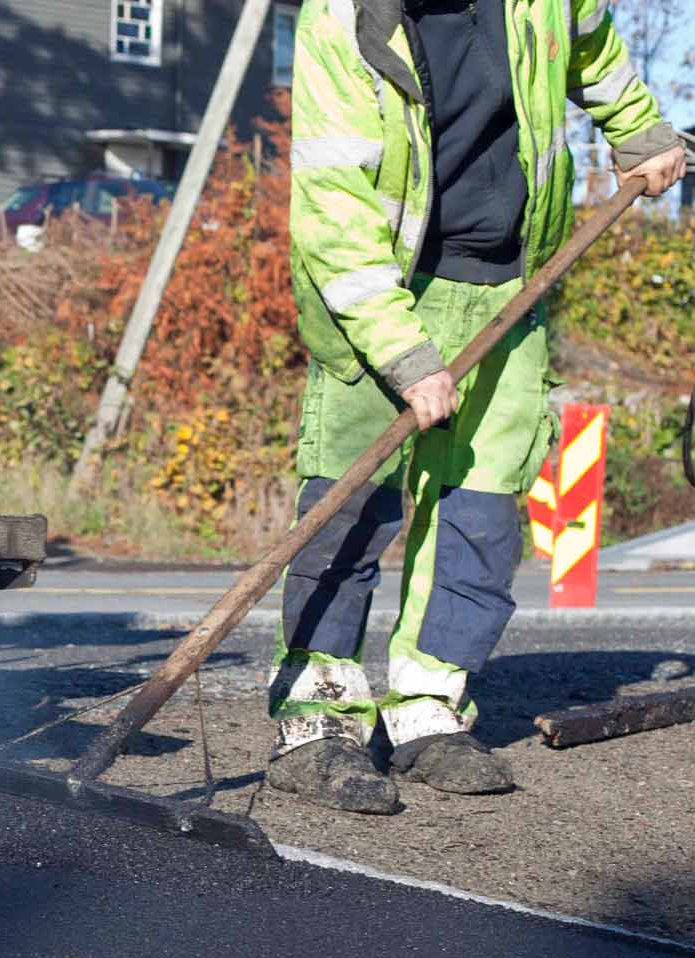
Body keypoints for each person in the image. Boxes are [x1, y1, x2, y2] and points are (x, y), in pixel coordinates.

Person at [271, 0, 687, 812]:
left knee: (481, 511)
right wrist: (402, 351)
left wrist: (638, 128)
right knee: (347, 511)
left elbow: (592, 47)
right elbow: (334, 207)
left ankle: (427, 710)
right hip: (379, 296)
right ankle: (316, 724)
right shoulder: (341, 22)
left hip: (507, 286)